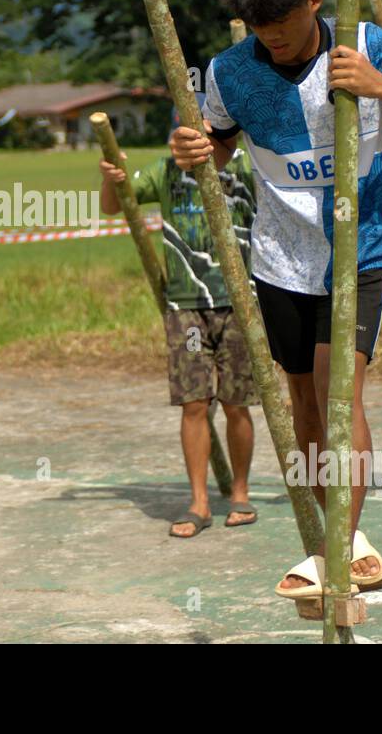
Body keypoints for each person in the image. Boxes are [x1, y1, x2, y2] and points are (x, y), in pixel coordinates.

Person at [170, 0, 382, 598]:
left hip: (361, 251)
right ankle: (345, 540)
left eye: (286, 24)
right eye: (261, 29)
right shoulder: (228, 71)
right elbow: (215, 147)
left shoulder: (366, 46)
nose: (274, 38)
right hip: (280, 261)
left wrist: (377, 86)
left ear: (315, 0)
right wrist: (195, 149)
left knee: (337, 396)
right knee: (301, 403)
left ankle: (330, 551)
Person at [99, 104, 260, 537]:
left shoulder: (248, 167)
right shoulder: (166, 172)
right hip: (185, 306)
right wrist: (110, 179)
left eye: (204, 129)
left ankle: (240, 493)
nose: (194, 137)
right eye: (186, 129)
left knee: (236, 402)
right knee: (193, 403)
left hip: (240, 303)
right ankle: (199, 502)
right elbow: (115, 206)